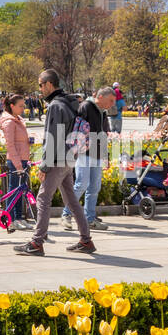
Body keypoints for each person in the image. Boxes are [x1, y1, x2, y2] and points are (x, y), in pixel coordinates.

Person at [15, 69, 95, 256]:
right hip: (69, 157)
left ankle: (36, 243)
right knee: (71, 199)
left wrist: (45, 165)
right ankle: (86, 240)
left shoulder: (55, 106)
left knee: (43, 198)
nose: (40, 89)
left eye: (41, 85)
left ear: (49, 84)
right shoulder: (71, 102)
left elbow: (53, 138)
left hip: (58, 159)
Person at [62, 86, 114, 234]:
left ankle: (90, 218)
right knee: (81, 184)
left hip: (96, 154)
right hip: (84, 153)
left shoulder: (103, 112)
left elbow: (103, 135)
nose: (112, 104)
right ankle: (66, 214)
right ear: (101, 97)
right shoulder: (86, 106)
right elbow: (75, 128)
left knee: (94, 188)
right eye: (110, 100)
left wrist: (105, 156)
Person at [0, 92, 34, 227]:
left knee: (20, 191)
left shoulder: (18, 119)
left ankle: (19, 217)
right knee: (13, 190)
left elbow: (18, 141)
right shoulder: (9, 122)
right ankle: (12, 219)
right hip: (16, 161)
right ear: (12, 106)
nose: (23, 109)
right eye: (20, 106)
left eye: (23, 106)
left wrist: (27, 142)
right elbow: (10, 145)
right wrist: (18, 164)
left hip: (23, 159)